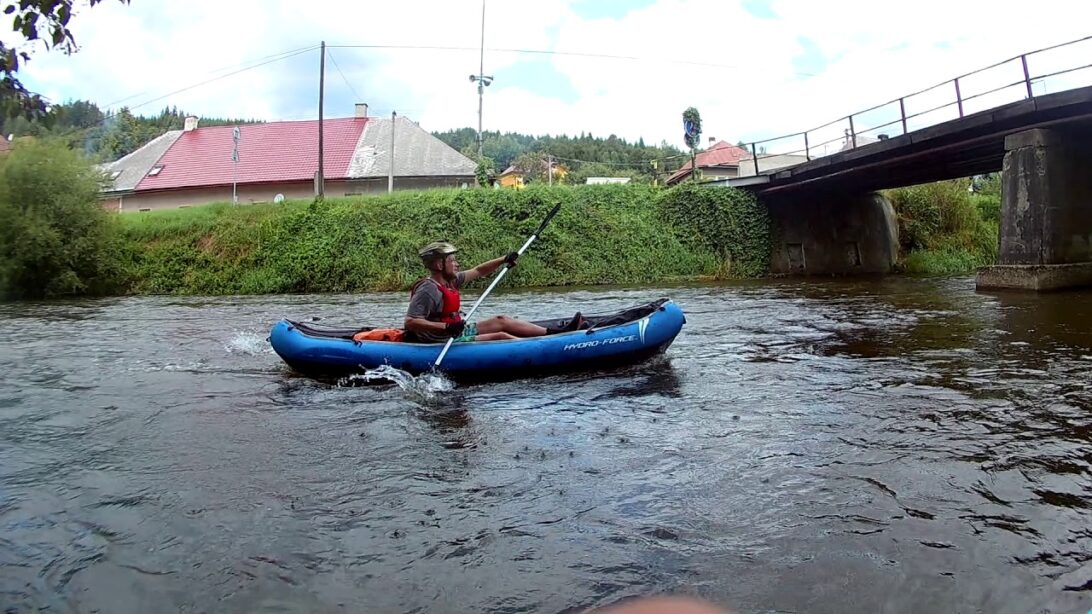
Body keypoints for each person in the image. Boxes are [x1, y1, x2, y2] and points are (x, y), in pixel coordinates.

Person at [404, 241, 586, 343]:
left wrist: (504, 259)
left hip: (455, 331)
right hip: (440, 340)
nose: (457, 264)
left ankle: (553, 333)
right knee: (500, 336)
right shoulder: (428, 289)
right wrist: (446, 327)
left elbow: (479, 271)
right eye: (452, 260)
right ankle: (549, 347)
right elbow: (411, 322)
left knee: (502, 320)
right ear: (438, 264)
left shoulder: (452, 280)